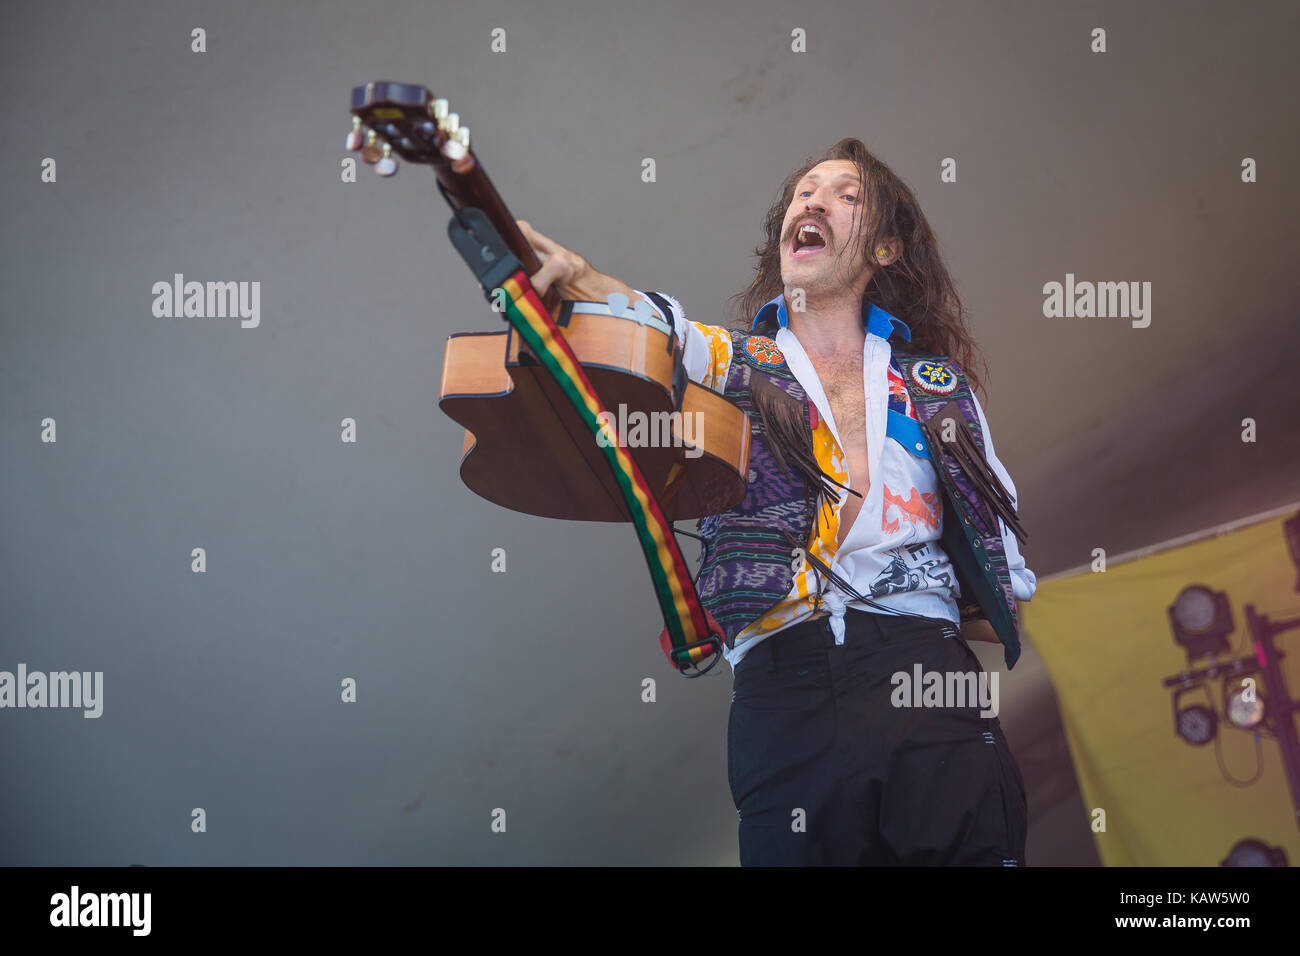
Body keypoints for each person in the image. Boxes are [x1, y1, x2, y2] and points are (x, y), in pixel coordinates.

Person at [516, 138, 1035, 866]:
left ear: (885, 248)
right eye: (803, 192)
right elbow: (649, 326)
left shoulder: (940, 387)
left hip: (928, 674)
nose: (814, 201)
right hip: (782, 686)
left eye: (846, 196)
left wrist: (923, 619)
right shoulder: (735, 362)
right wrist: (575, 276)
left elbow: (1006, 577)